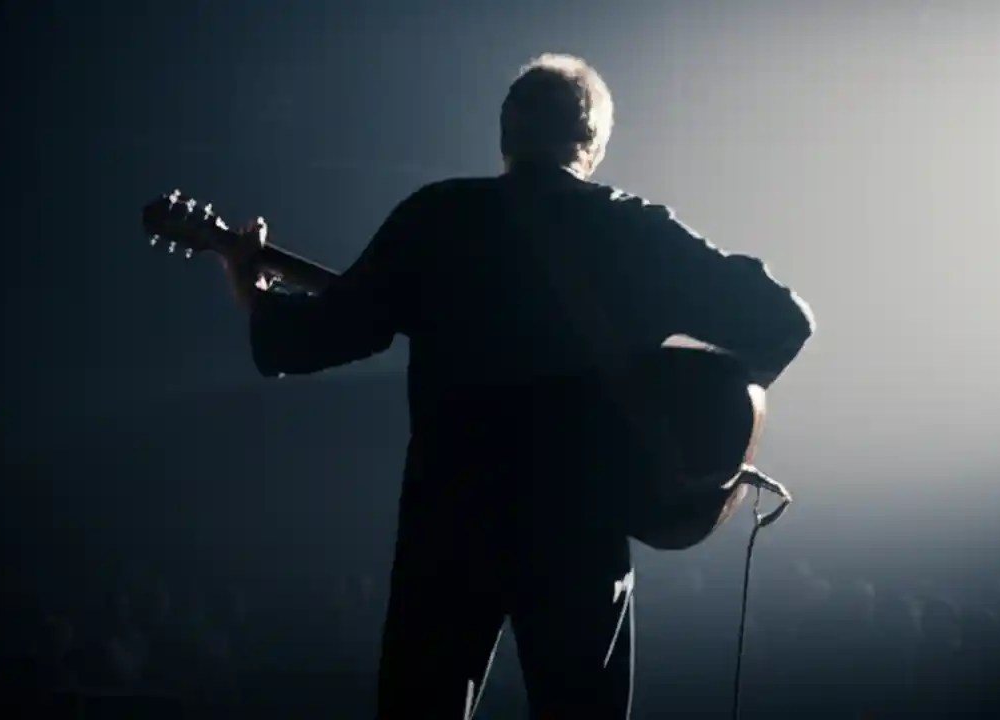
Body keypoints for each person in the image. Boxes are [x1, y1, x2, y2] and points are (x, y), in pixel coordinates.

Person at [217, 53, 814, 719]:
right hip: (580, 528)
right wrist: (706, 411)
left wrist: (254, 291)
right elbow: (783, 322)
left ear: (507, 132)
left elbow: (322, 334)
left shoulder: (437, 217)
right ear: (592, 145)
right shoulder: (639, 232)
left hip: (451, 523)